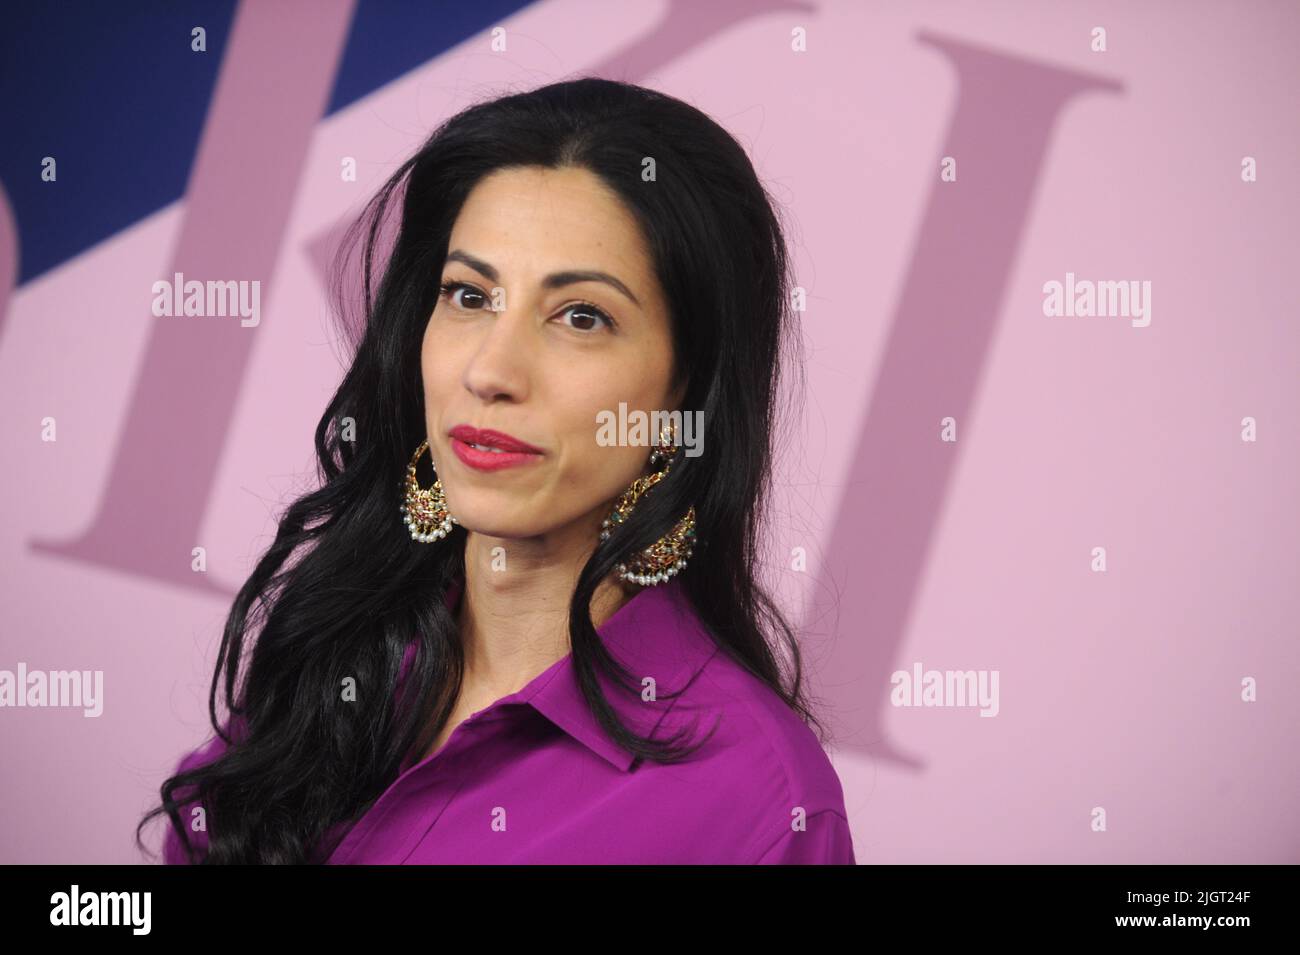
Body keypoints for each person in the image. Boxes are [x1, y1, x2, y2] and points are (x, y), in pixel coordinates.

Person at [138, 76, 855, 865]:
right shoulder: (332, 652)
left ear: (687, 389)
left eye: (581, 316)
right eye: (469, 295)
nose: (491, 370)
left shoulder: (761, 801)